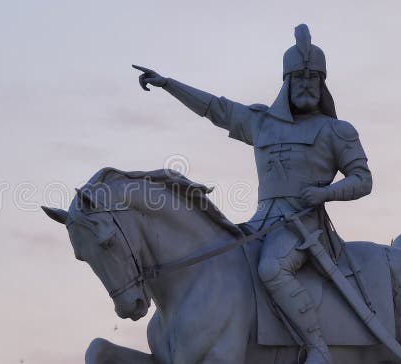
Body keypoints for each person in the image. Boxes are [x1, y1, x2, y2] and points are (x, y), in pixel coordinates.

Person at [133, 24, 372, 364]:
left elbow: (363, 179)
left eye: (314, 79)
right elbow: (215, 108)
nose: (307, 85)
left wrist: (326, 194)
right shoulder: (262, 122)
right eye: (300, 79)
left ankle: (318, 347)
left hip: (303, 227)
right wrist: (168, 84)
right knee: (221, 260)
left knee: (273, 269)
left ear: (322, 83)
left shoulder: (336, 130)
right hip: (261, 222)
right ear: (287, 81)